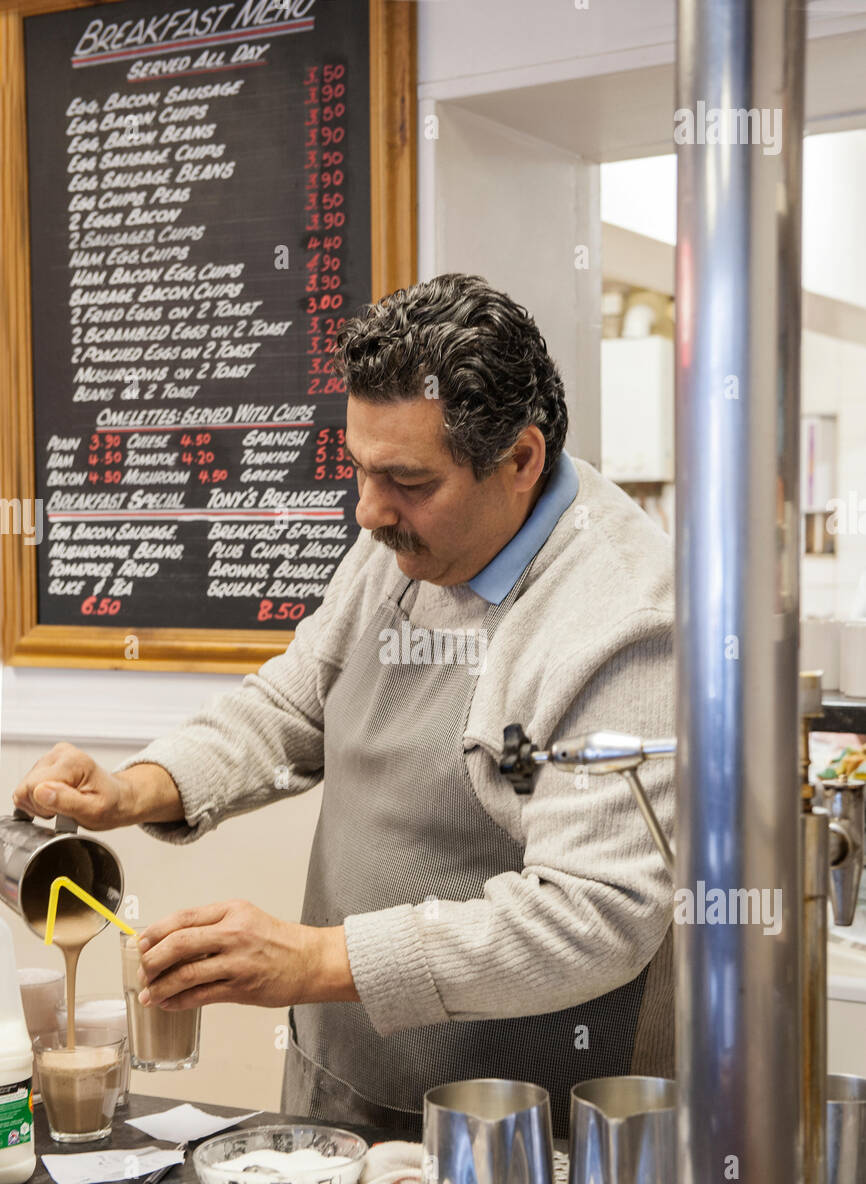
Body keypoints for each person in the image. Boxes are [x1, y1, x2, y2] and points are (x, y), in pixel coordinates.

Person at [14, 273, 675, 1138]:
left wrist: (317, 956)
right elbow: (295, 705)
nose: (368, 512)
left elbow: (596, 916)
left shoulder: (623, 614)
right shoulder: (402, 539)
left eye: (405, 480)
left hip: (513, 1133)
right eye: (358, 469)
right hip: (342, 1080)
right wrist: (136, 787)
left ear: (521, 460)